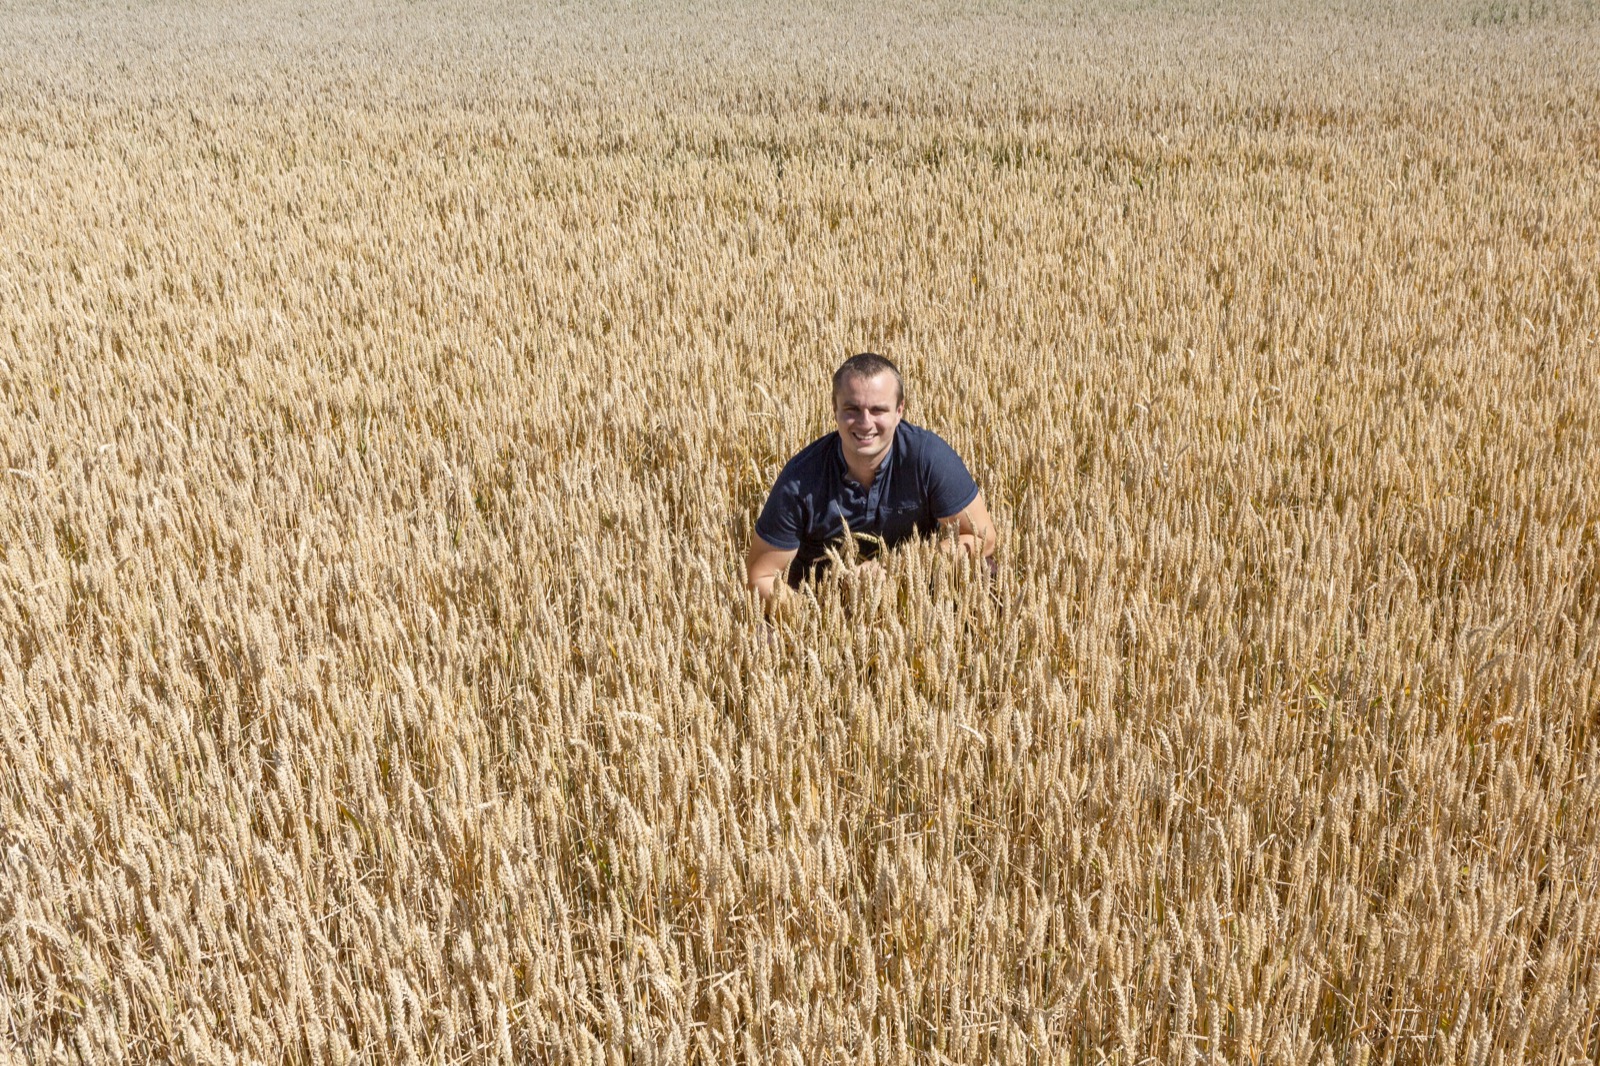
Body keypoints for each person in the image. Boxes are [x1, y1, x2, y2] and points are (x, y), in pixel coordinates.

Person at [746, 353, 996, 604]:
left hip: (914, 596)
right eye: (852, 409)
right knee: (758, 635)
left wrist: (898, 568)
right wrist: (817, 617)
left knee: (987, 574)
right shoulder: (800, 480)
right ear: (835, 409)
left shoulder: (928, 458)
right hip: (822, 602)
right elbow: (760, 577)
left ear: (899, 411)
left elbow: (983, 537)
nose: (865, 423)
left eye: (878, 410)